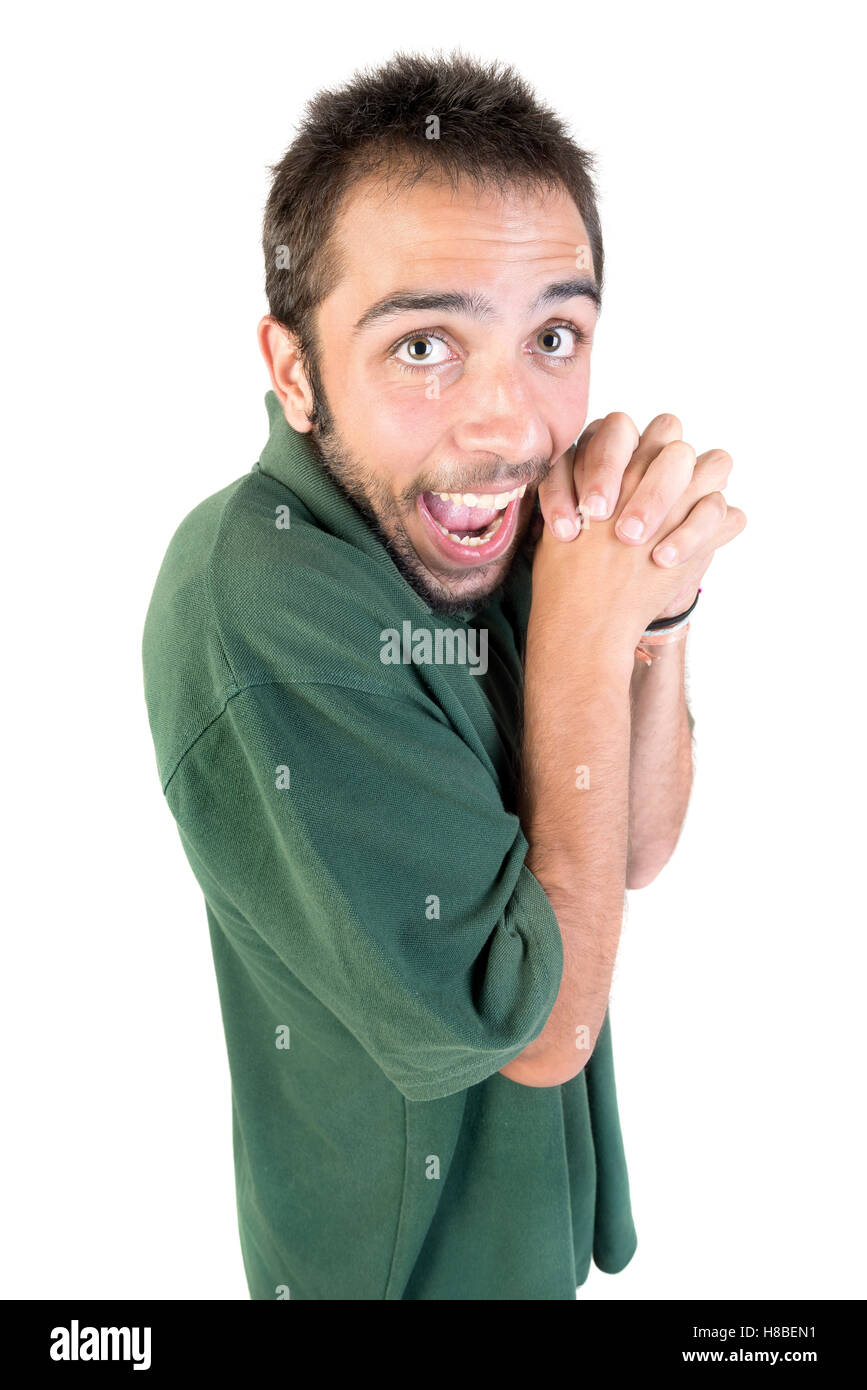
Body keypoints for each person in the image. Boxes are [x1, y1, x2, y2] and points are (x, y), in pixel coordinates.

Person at [142, 51, 746, 1301]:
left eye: (552, 336)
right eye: (425, 344)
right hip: (401, 1270)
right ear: (296, 368)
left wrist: (661, 607)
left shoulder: (478, 523)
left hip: (530, 1226)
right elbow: (541, 1033)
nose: (514, 425)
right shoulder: (256, 593)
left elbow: (633, 845)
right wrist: (589, 629)